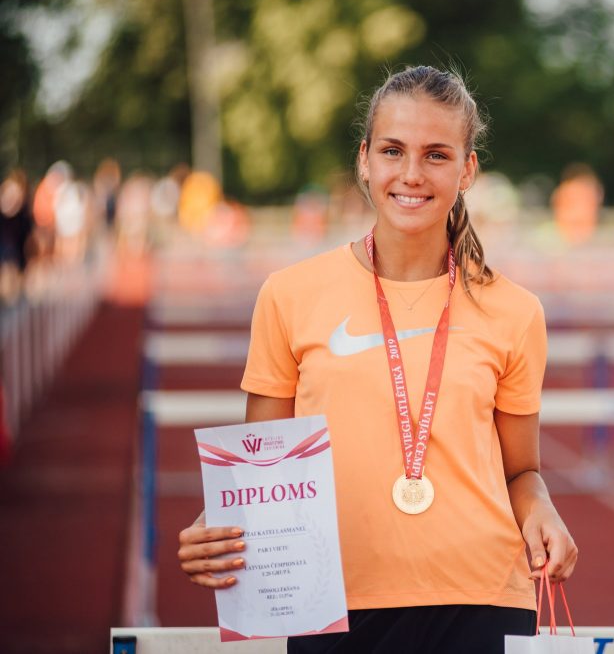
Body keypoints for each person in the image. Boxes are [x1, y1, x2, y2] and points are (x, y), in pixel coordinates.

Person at [177, 65, 578, 653]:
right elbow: (263, 469)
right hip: (334, 602)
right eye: (393, 151)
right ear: (365, 160)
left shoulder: (515, 311)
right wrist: (215, 525)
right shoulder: (289, 296)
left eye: (437, 155)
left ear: (467, 169)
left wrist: (541, 508)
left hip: (484, 599)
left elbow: (522, 471)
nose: (411, 174)